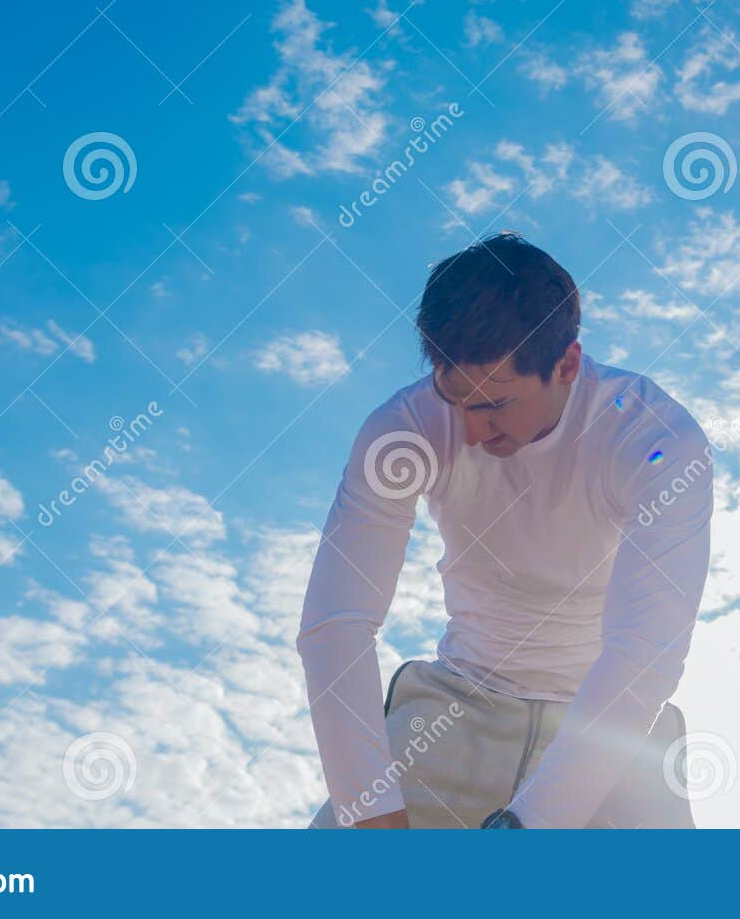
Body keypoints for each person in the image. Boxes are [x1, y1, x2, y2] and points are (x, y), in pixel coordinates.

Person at [297, 231, 715, 828]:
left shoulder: (657, 440)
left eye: (495, 404)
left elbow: (644, 652)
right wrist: (370, 812)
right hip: (456, 706)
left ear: (566, 365)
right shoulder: (403, 430)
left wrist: (530, 826)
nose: (470, 430)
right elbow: (336, 622)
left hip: (616, 735)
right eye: (453, 396)